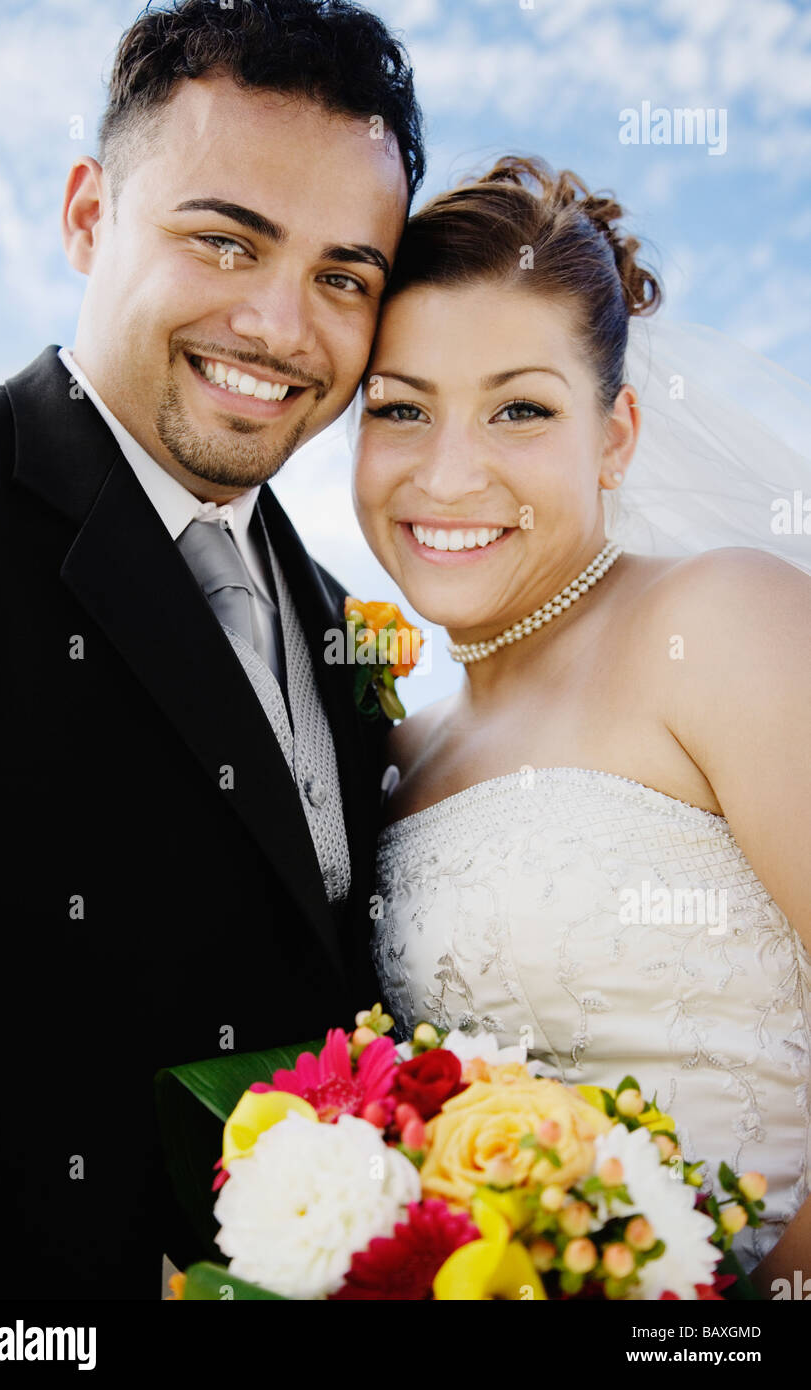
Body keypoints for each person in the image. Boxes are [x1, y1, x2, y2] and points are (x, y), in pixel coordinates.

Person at [0, 0, 423, 1299]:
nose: (279, 327)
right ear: (88, 215)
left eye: (342, 277)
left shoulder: (347, 625)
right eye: (225, 240)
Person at [354, 156, 811, 1288]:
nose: (447, 476)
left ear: (614, 437)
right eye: (401, 408)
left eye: (519, 410)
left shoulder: (721, 621)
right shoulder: (393, 755)